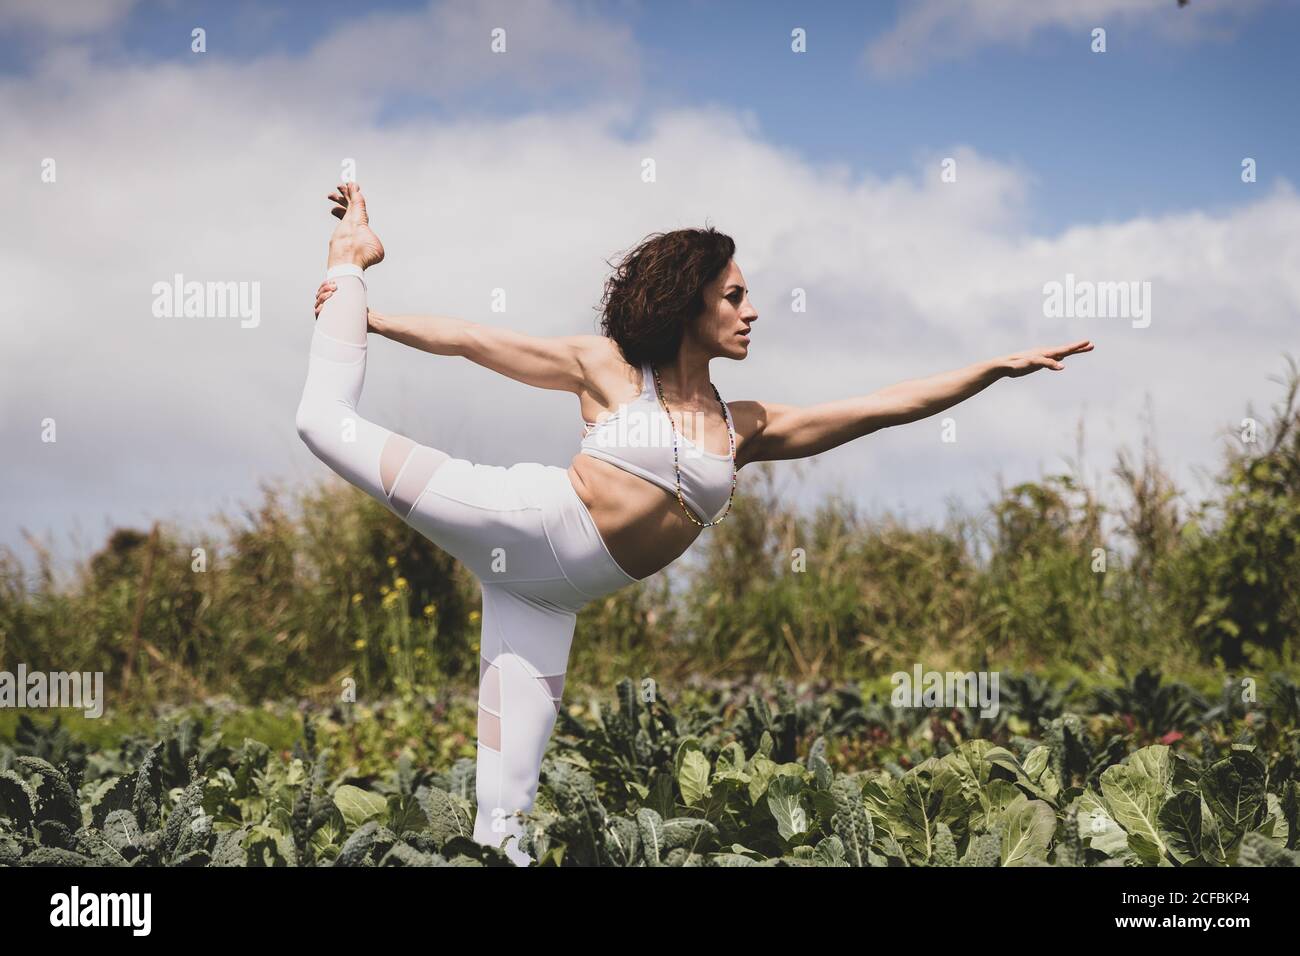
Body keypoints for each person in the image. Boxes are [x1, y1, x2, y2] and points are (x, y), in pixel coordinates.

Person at [296, 181, 1093, 864]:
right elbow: (477, 341)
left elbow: (882, 409)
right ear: (691, 301)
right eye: (735, 296)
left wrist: (993, 369)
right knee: (323, 425)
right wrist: (368, 312)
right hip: (519, 520)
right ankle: (350, 253)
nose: (753, 312)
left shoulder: (745, 425)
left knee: (505, 820)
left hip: (545, 603)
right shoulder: (611, 370)